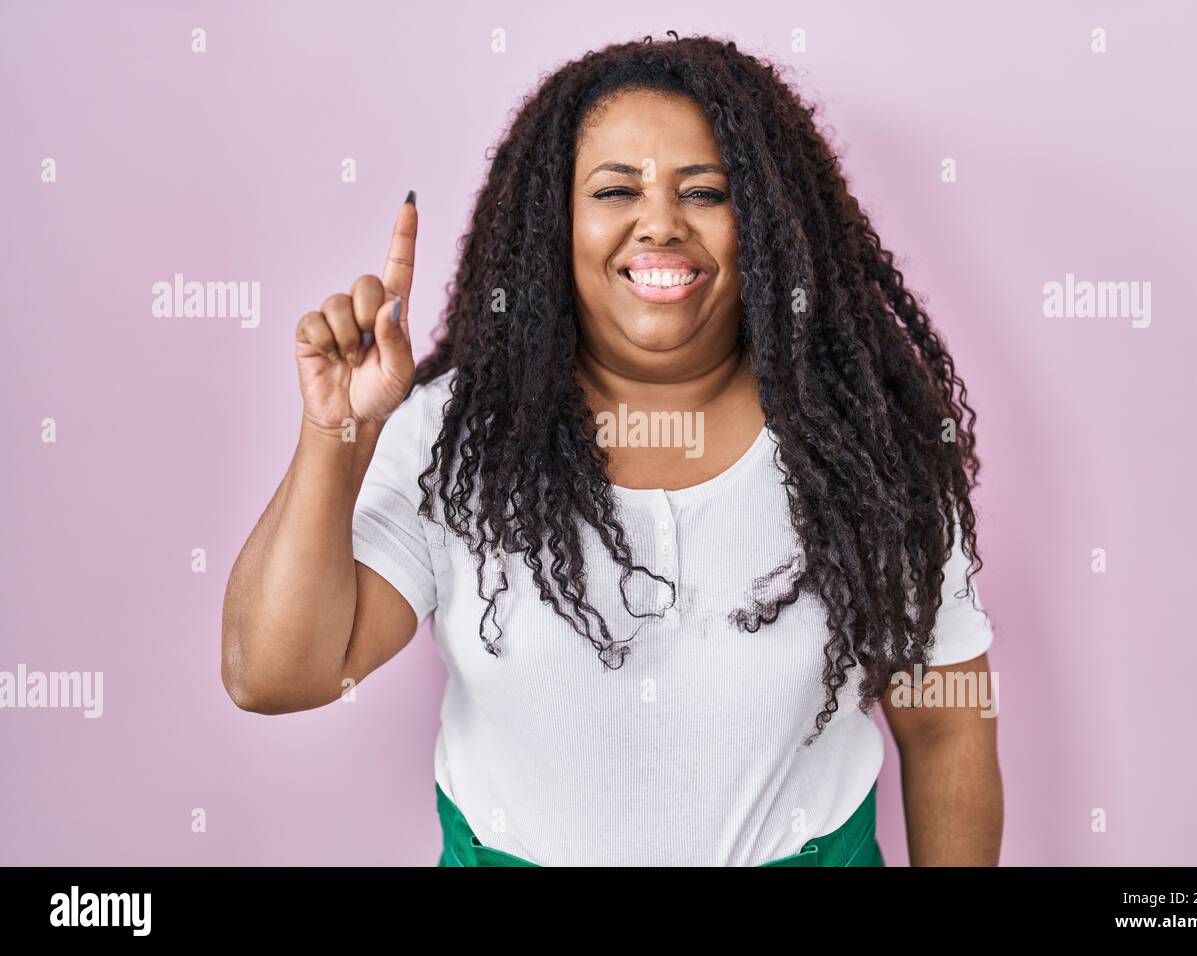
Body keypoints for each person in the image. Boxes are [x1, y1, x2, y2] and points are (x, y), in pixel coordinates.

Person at [221, 33, 1003, 867]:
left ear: (767, 224)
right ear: (554, 226)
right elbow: (273, 677)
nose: (659, 223)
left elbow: (947, 725)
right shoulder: (454, 437)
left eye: (704, 191)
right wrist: (338, 433)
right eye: (614, 189)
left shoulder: (861, 446)